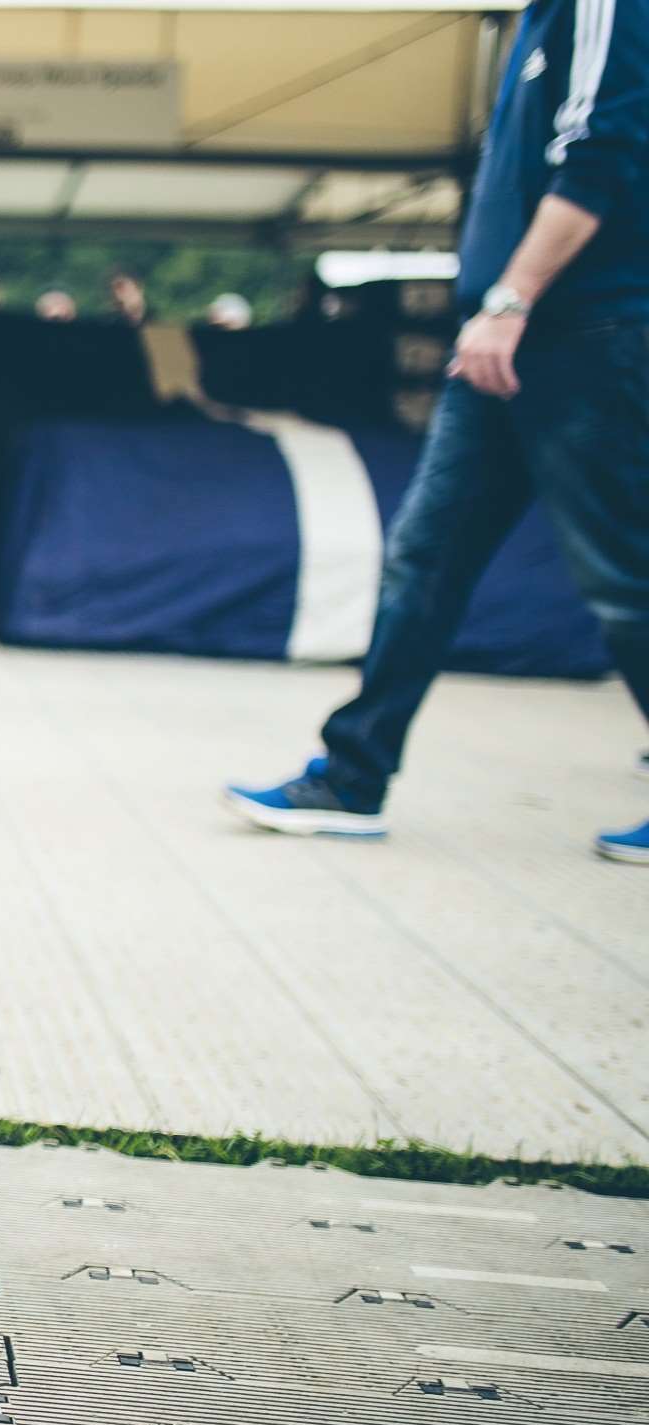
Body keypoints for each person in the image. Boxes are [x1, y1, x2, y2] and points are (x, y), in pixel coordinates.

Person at [227, 0, 649, 864]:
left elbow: (601, 152)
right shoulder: (537, 21)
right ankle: (353, 776)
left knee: (622, 575)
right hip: (506, 340)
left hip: (575, 333)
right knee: (425, 557)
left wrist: (511, 297)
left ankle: (352, 773)